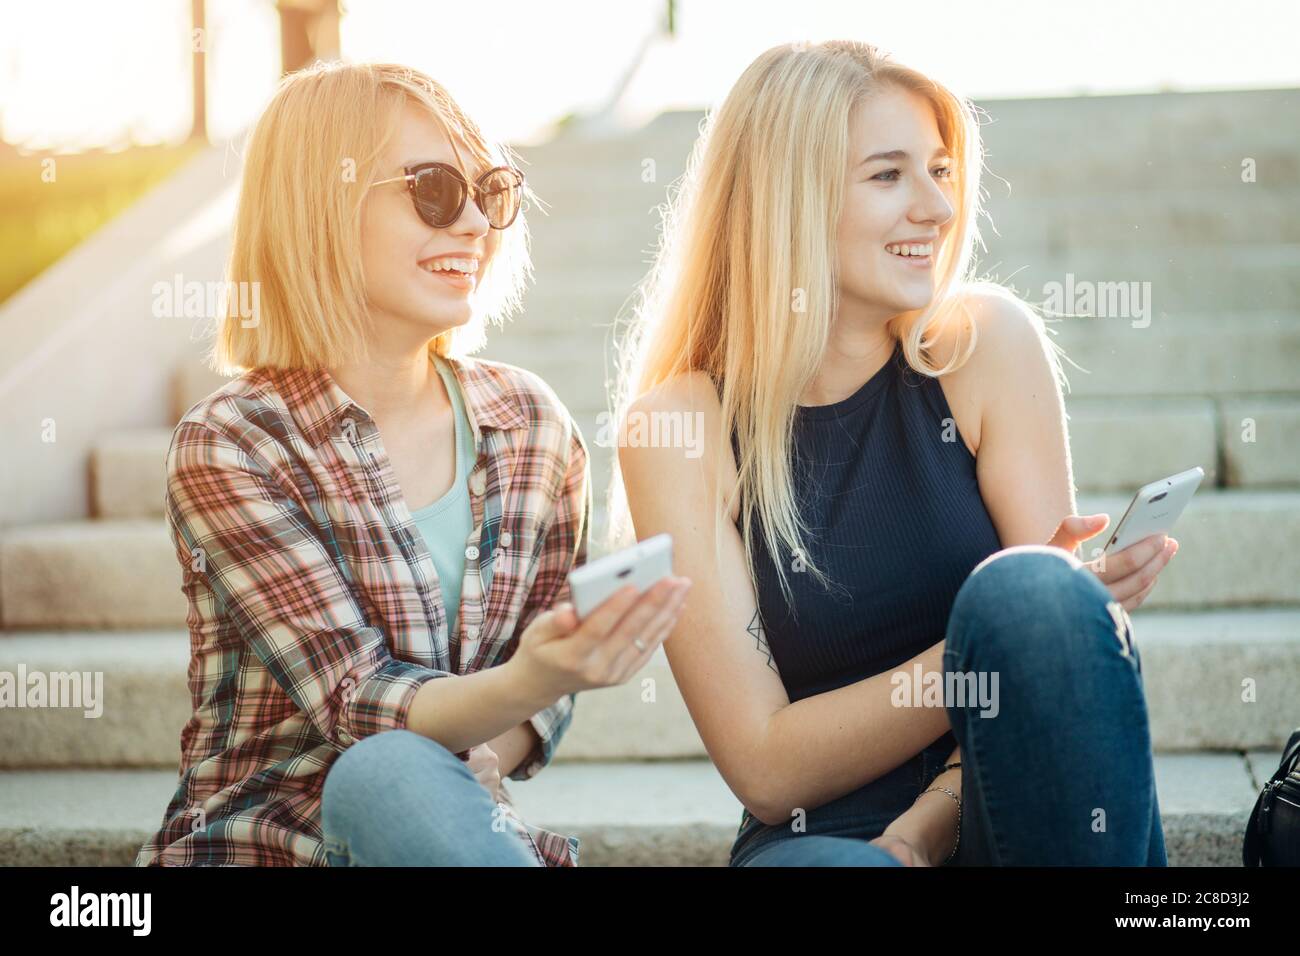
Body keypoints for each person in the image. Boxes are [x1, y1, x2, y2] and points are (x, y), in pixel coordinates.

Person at [615, 41, 1176, 867]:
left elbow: (1050, 684)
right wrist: (985, 650)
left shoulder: (985, 347)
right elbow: (766, 768)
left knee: (1035, 601)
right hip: (821, 838)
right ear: (786, 201)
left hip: (1014, 806)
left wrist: (1035, 626)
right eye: (888, 176)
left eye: (941, 171)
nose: (939, 211)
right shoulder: (677, 428)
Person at [136, 62, 689, 867]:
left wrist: (534, 691)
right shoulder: (233, 444)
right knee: (388, 766)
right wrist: (529, 681)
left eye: (490, 191)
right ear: (319, 205)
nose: (474, 223)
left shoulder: (533, 425)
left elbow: (537, 696)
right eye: (433, 188)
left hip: (450, 833)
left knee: (405, 774)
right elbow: (357, 702)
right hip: (271, 845)